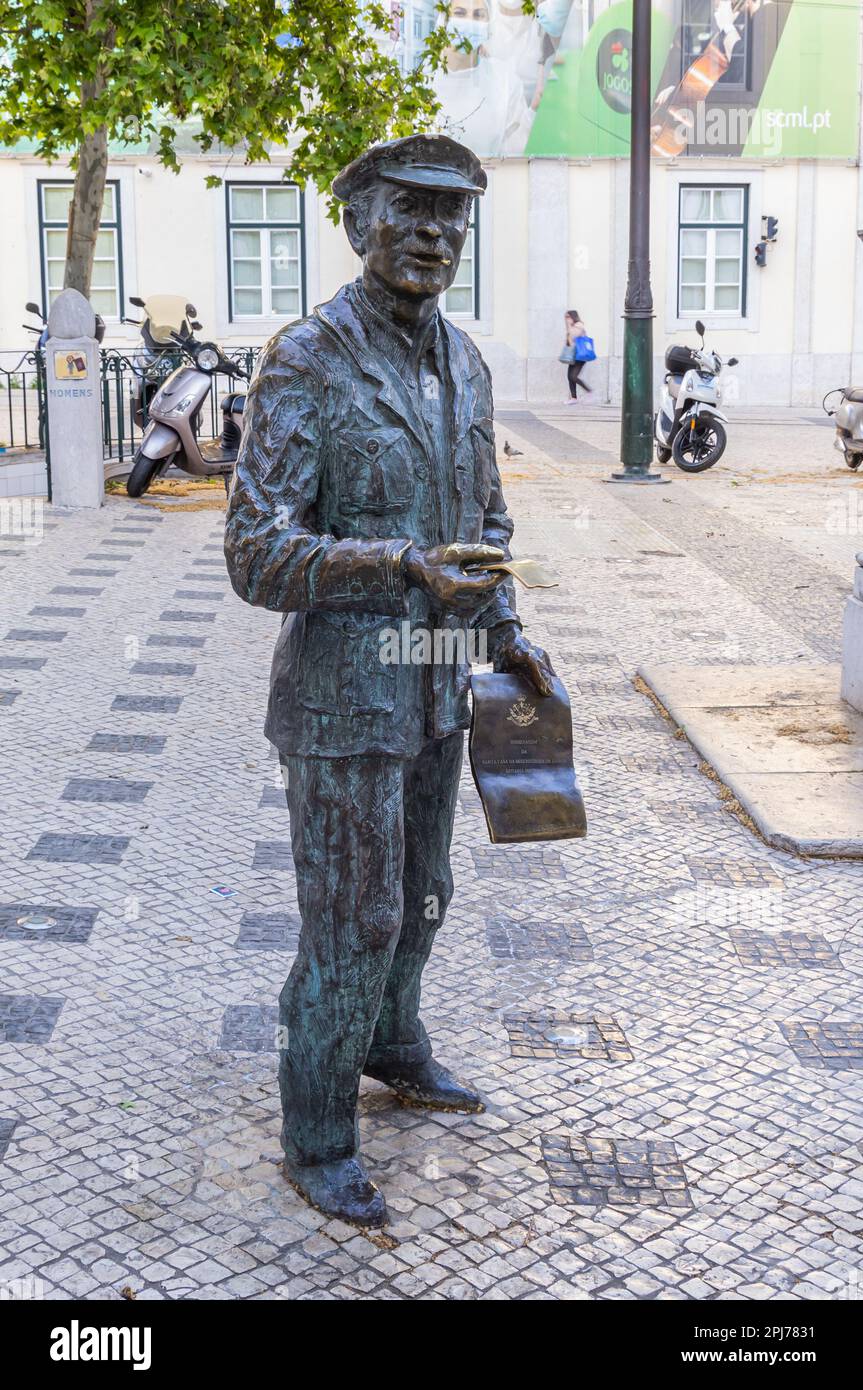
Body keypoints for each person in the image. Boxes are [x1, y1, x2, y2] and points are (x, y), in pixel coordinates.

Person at [225, 134, 556, 1230]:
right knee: (355, 916)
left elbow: (485, 519)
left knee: (425, 895)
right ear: (357, 223)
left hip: (434, 685)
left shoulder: (464, 362)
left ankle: (394, 1043)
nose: (431, 231)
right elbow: (255, 553)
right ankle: (315, 1133)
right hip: (339, 696)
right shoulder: (305, 360)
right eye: (407, 210)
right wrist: (394, 564)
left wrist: (503, 626)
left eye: (450, 215)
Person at [433, 0, 533, 157]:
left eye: (479, 15)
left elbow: (516, 152)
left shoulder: (505, 80)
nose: (469, 22)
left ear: (489, 23)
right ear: (444, 20)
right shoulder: (423, 83)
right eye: (460, 13)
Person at [564, 307, 591, 401]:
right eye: (566, 316)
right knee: (569, 376)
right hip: (574, 354)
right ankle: (574, 398)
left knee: (573, 376)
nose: (566, 318)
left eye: (568, 316)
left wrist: (569, 326)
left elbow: (573, 338)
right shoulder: (573, 326)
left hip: (580, 355)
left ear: (573, 316)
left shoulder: (579, 325)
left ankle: (589, 391)